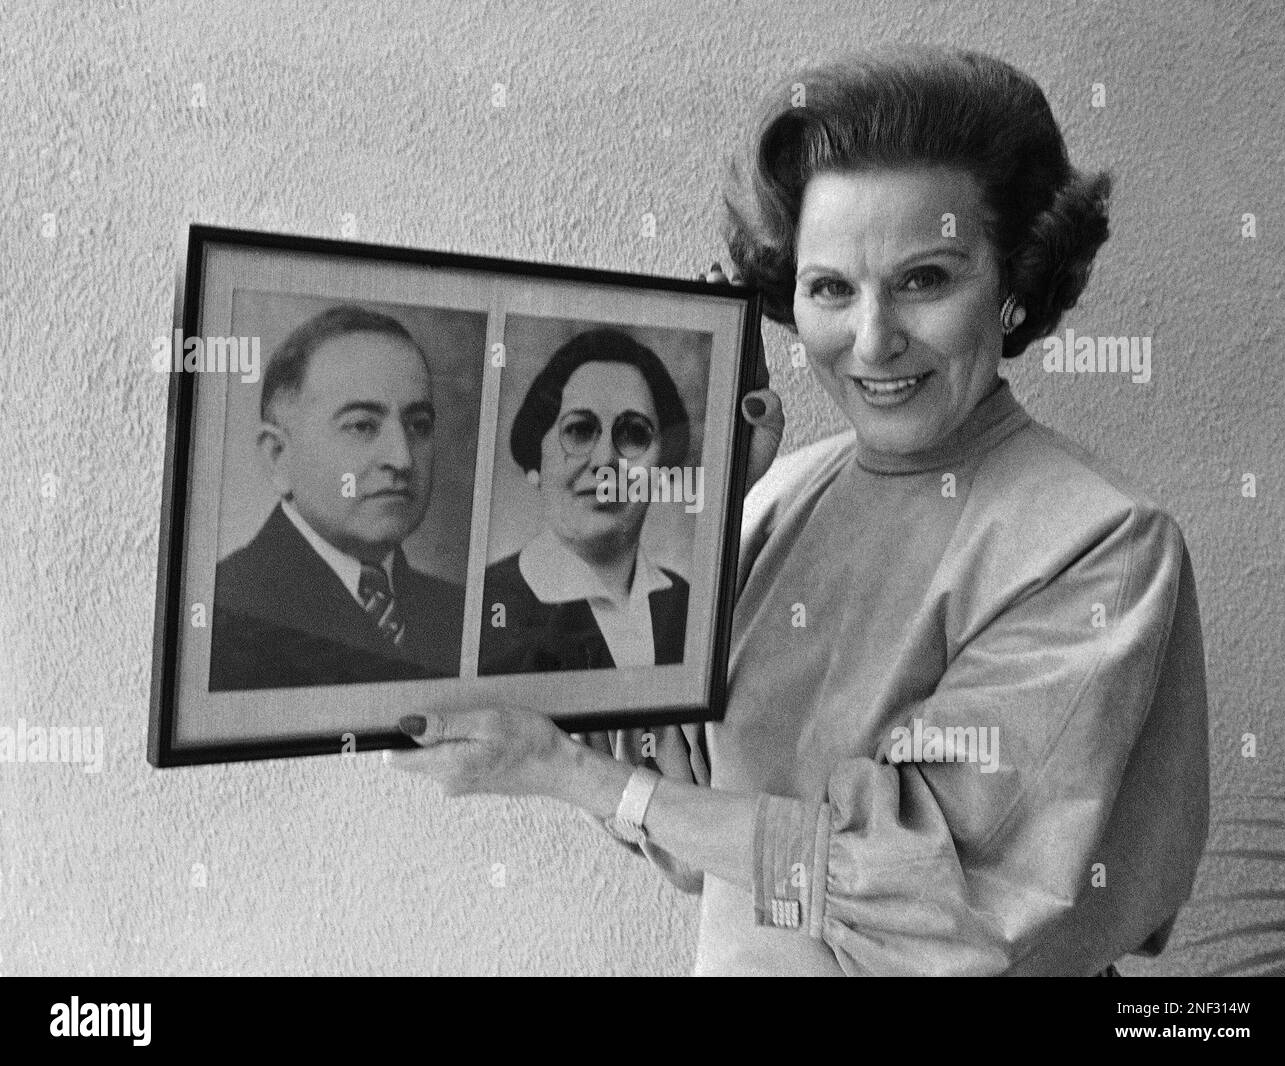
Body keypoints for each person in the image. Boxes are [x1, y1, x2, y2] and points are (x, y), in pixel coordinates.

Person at [391, 46, 1209, 976]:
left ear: (1016, 284)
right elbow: (684, 814)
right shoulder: (777, 495)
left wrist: (568, 776)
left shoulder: (1100, 542)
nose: (872, 338)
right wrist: (684, 532)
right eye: (830, 288)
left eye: (926, 279)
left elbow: (923, 900)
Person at [209, 305, 464, 691]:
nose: (403, 458)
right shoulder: (222, 613)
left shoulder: (457, 613)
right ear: (278, 456)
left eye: (419, 425)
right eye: (361, 425)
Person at [478, 328, 691, 674]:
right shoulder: (480, 604)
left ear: (662, 469)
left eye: (635, 433)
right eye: (579, 430)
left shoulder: (689, 604)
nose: (605, 460)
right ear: (536, 463)